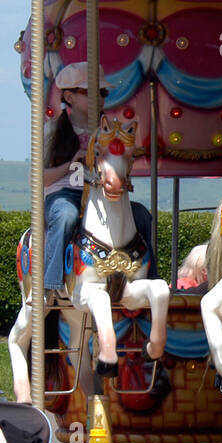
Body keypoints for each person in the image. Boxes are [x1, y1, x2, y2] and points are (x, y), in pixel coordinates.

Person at [42, 62, 155, 301]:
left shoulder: (108, 131)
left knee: (142, 216)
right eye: (92, 92)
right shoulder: (53, 130)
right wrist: (72, 163)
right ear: (69, 96)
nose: (101, 97)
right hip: (65, 194)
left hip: (101, 196)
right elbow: (41, 178)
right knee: (66, 216)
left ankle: (148, 278)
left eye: (103, 92)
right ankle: (49, 284)